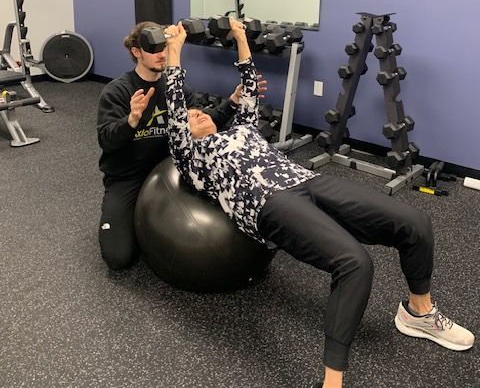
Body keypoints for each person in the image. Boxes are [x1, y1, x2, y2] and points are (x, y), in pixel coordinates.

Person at [163, 19, 474, 388]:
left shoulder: (242, 128)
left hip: (307, 180)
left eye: (200, 111)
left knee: (414, 222)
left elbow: (249, 85)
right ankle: (331, 382)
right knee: (355, 263)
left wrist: (241, 37)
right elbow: (175, 106)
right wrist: (174, 50)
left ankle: (418, 312)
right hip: (268, 202)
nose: (197, 113)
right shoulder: (193, 157)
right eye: (191, 117)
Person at [97, 20, 266, 271]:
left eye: (165, 47)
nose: (161, 54)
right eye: (153, 49)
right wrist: (131, 120)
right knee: (118, 257)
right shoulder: (118, 91)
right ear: (136, 52)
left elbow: (199, 123)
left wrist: (232, 102)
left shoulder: (178, 89)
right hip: (129, 177)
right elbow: (106, 140)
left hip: (173, 169)